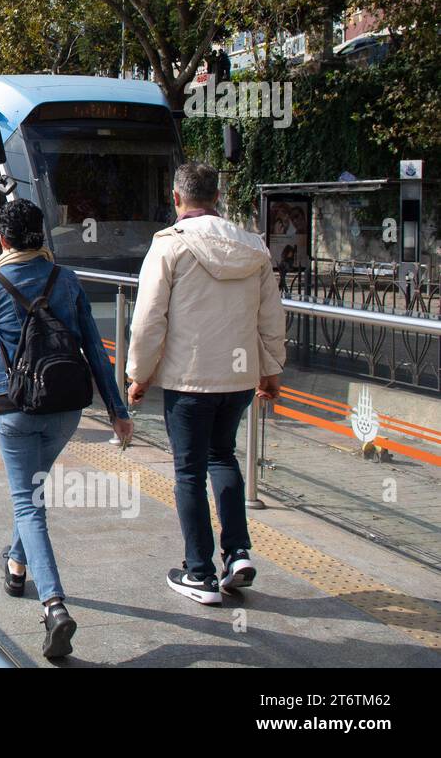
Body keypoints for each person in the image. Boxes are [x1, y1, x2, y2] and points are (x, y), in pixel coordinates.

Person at [0, 198, 133, 660]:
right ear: (42, 238)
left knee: (28, 504)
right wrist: (117, 409)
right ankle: (15, 566)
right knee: (31, 492)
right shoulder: (67, 280)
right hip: (65, 410)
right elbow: (95, 348)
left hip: (13, 409)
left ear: (3, 240)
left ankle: (54, 605)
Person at [126, 162, 285, 606]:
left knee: (188, 472)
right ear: (217, 196)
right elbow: (271, 317)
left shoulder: (168, 246)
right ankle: (237, 554)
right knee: (223, 457)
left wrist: (139, 375)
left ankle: (200, 573)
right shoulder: (253, 247)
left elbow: (147, 320)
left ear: (177, 199)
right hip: (238, 379)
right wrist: (271, 370)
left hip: (189, 379)